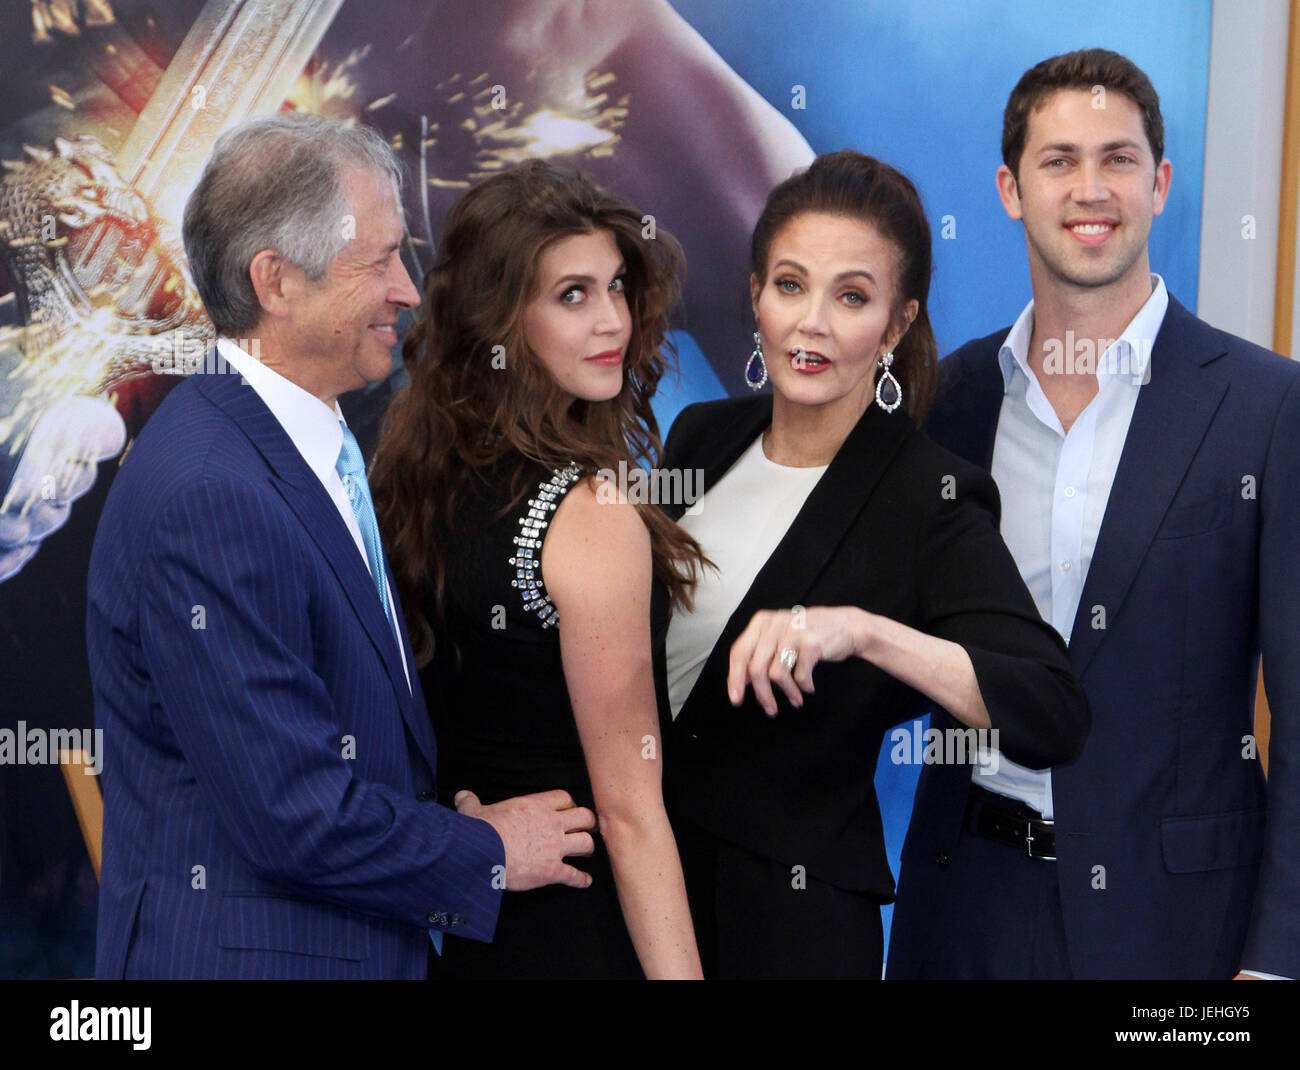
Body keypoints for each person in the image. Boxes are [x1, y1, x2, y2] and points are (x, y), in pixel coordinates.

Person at [86, 114, 597, 980]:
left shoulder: (296, 435)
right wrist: (484, 848)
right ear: (275, 282)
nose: (408, 288)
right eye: (380, 261)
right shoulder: (211, 492)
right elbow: (295, 813)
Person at [888, 49, 1300, 980]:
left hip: (1181, 938)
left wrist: (1276, 963)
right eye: (1059, 159)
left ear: (1158, 183)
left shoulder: (1267, 407)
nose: (1091, 188)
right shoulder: (944, 405)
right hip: (964, 913)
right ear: (1008, 188)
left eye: (1118, 159)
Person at [655, 150, 1092, 980]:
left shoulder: (931, 496)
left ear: (896, 325)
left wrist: (862, 632)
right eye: (789, 285)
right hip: (651, 895)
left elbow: (1052, 711)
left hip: (792, 926)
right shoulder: (699, 439)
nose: (811, 322)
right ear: (755, 297)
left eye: (851, 296)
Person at [372, 160, 707, 979]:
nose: (612, 322)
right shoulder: (589, 510)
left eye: (617, 286)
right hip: (581, 931)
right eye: (572, 295)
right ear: (499, 319)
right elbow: (629, 815)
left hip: (470, 932)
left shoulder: (405, 478)